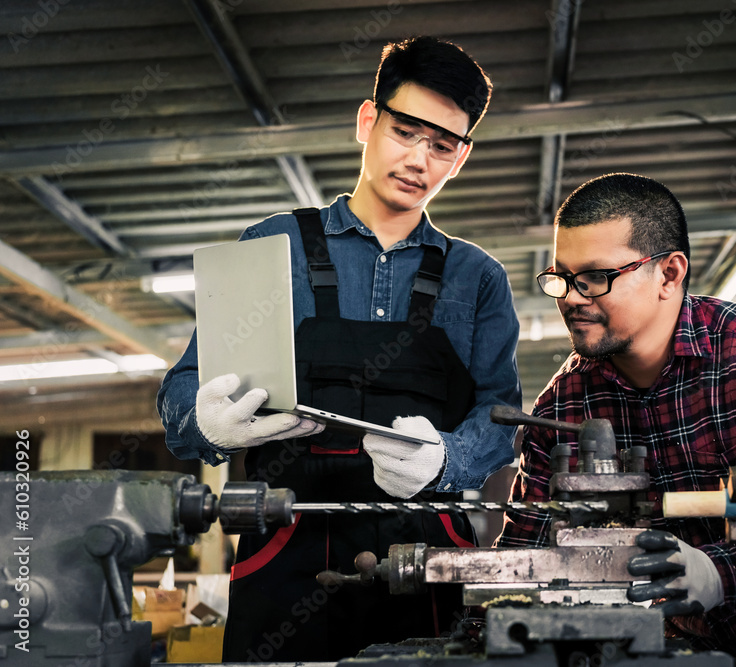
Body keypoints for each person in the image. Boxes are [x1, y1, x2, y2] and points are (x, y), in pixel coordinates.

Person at [157, 36, 521, 662]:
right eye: (405, 131)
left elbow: (500, 416)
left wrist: (448, 461)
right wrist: (207, 420)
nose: (419, 159)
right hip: (284, 546)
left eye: (442, 145)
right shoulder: (274, 246)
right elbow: (182, 391)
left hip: (424, 555)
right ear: (367, 121)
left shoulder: (477, 277)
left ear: (461, 158)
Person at [495, 173, 736, 665]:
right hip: (685, 647)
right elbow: (528, 540)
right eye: (562, 278)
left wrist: (718, 572)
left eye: (594, 277)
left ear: (669, 274)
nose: (570, 297)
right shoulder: (561, 406)